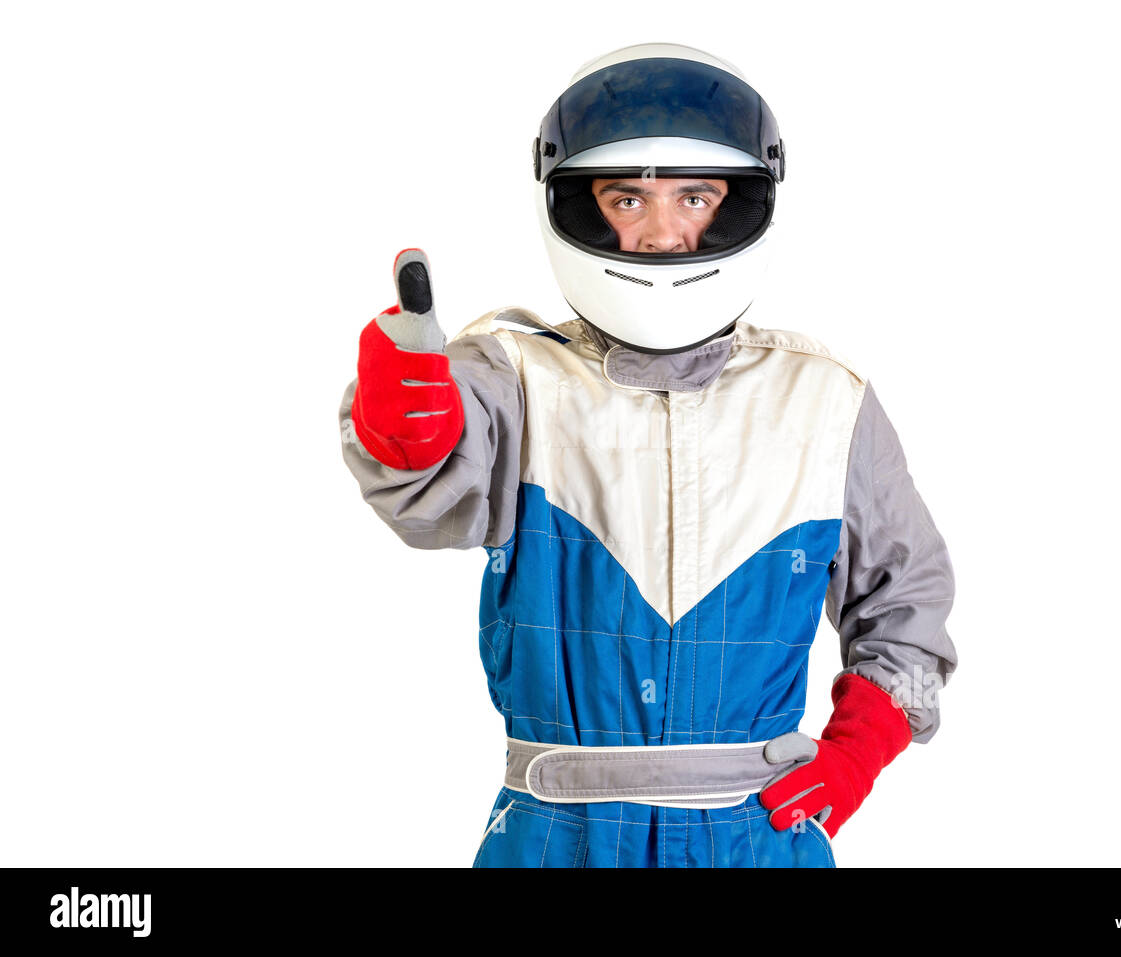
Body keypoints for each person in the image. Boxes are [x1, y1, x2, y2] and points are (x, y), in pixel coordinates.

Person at [338, 42, 957, 868]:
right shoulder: (514, 374)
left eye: (694, 197)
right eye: (627, 198)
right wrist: (401, 413)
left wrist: (857, 753)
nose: (664, 234)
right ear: (580, 207)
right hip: (556, 835)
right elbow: (427, 484)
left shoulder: (825, 400)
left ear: (740, 203)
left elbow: (907, 610)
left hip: (757, 830)